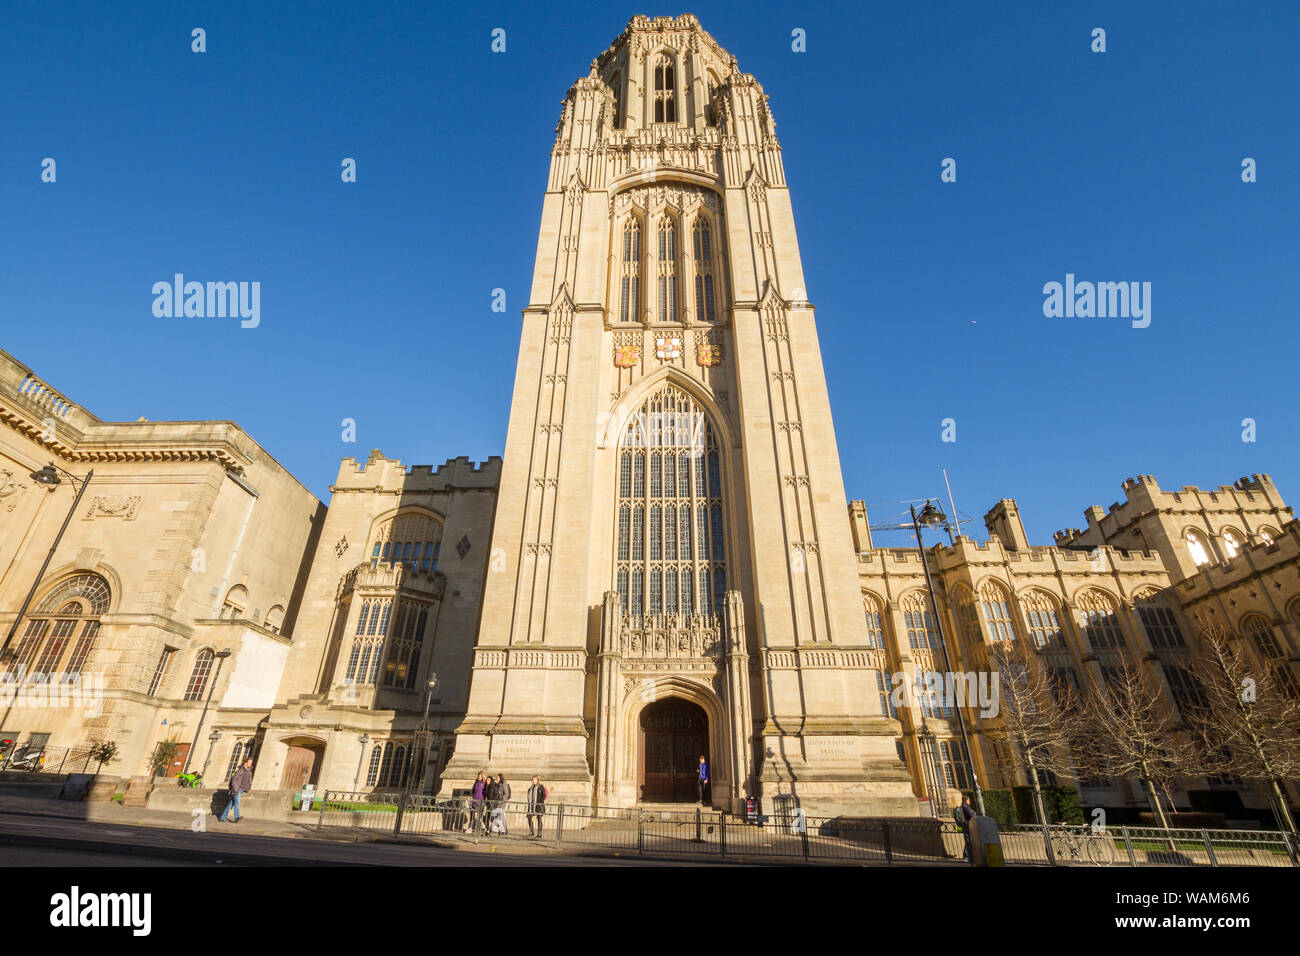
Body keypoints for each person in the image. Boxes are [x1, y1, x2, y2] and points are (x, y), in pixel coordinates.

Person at [220, 757, 254, 823]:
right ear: (245, 763)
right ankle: (237, 817)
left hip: (241, 790)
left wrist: (248, 788)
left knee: (230, 804)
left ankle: (223, 817)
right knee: (237, 803)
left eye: (251, 763)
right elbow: (234, 779)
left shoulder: (249, 771)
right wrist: (235, 788)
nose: (251, 764)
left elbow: (249, 781)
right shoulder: (241, 770)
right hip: (237, 789)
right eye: (250, 762)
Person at [954, 794, 977, 863]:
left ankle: (968, 855)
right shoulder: (965, 807)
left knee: (969, 840)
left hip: (964, 825)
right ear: (967, 800)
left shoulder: (961, 807)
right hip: (967, 825)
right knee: (969, 840)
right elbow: (971, 815)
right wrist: (974, 813)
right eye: (969, 800)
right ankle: (966, 856)